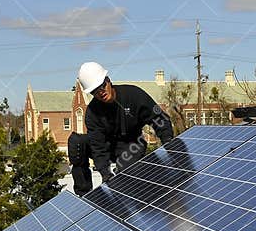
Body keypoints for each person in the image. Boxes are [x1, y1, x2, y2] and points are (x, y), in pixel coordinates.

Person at [67, 61, 175, 195]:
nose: (101, 92)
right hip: (107, 146)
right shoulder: (92, 112)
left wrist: (169, 144)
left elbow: (160, 119)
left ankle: (126, 180)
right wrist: (105, 174)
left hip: (131, 145)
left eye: (102, 86)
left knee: (127, 175)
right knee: (77, 142)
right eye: (95, 91)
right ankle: (83, 193)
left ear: (108, 80)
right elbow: (97, 146)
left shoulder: (133, 95)